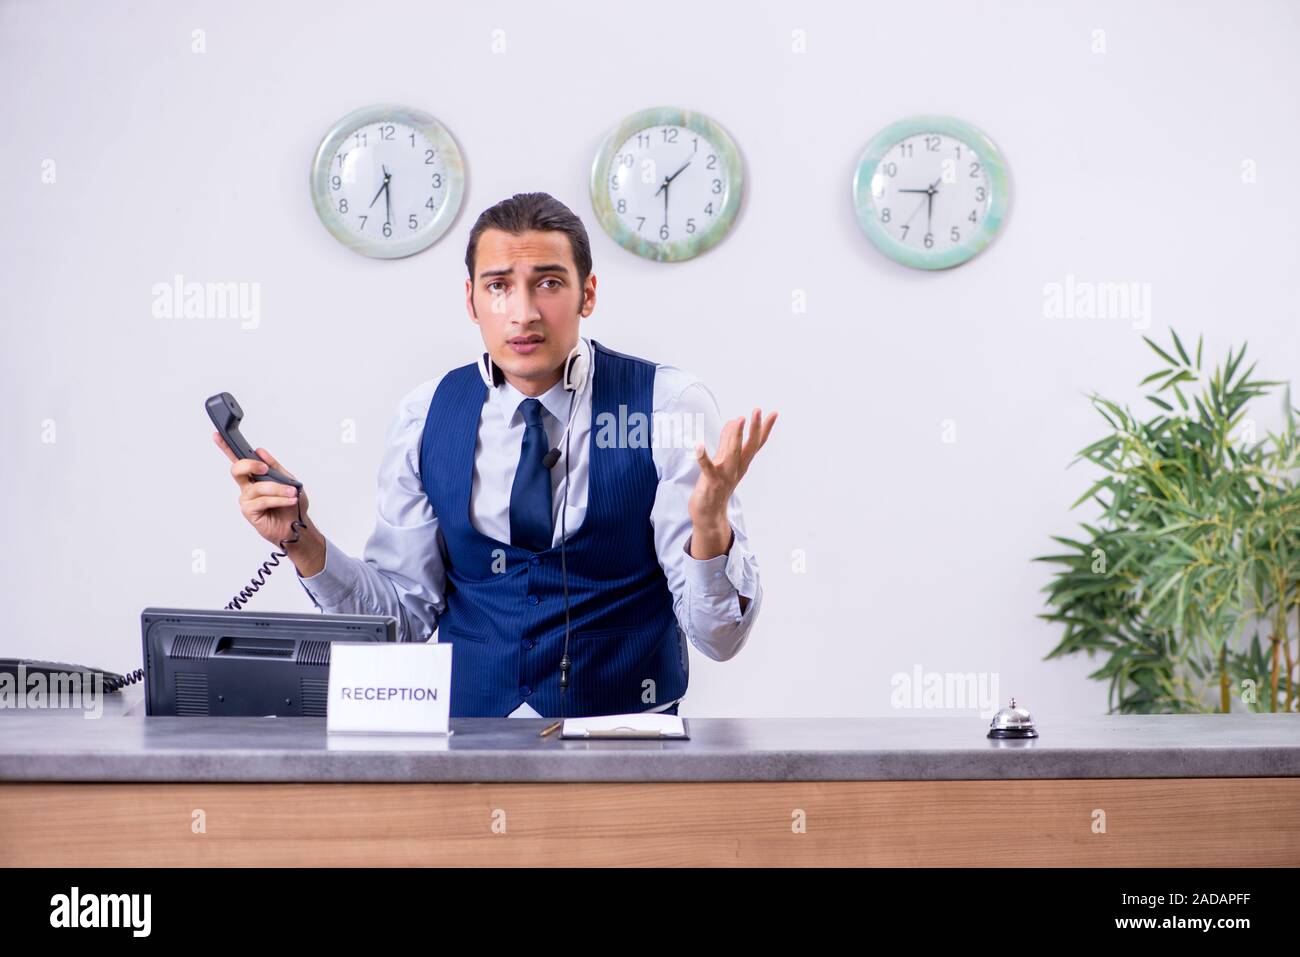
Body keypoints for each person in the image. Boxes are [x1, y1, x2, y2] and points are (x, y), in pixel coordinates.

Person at [215, 192, 777, 718]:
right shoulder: (425, 415)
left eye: (549, 283)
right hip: (468, 743)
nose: (524, 312)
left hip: (625, 745)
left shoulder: (667, 405)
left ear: (588, 294)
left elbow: (719, 638)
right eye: (499, 285)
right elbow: (402, 620)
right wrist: (302, 539)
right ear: (472, 300)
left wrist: (709, 529)